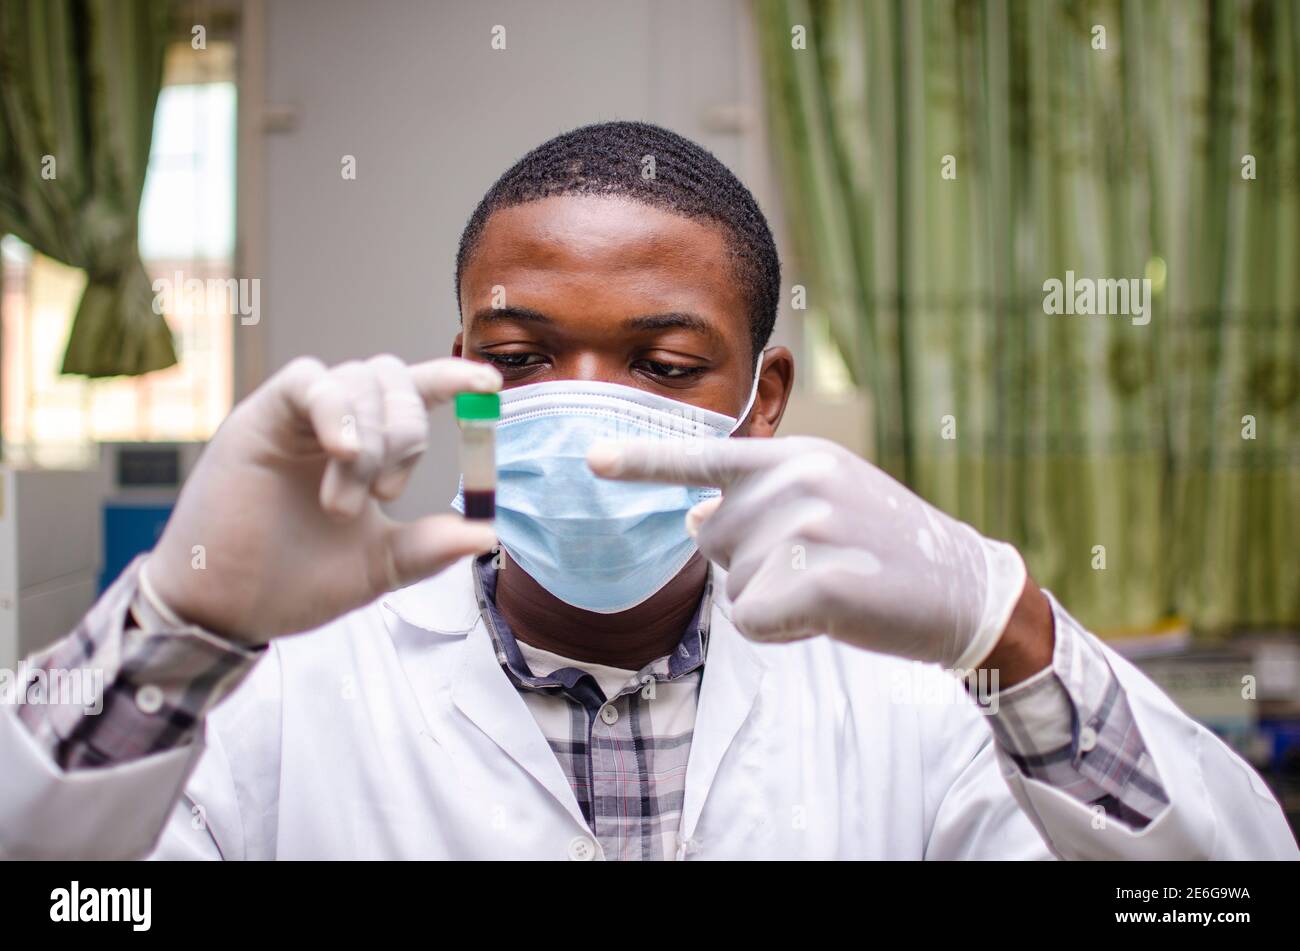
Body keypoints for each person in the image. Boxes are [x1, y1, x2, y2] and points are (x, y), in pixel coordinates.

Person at [1, 122, 1294, 861]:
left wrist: (1009, 627)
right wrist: (181, 621)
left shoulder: (912, 700)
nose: (577, 401)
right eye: (515, 360)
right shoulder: (285, 687)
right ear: (459, 373)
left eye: (661, 364)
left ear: (764, 398)